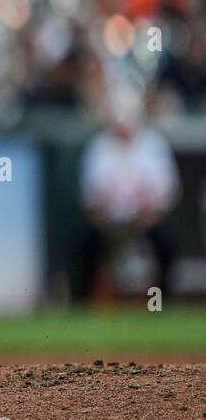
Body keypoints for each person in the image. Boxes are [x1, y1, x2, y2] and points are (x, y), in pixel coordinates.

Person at [76, 86, 181, 301]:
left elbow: (168, 191)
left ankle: (163, 303)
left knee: (167, 244)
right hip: (109, 223)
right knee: (85, 245)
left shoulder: (154, 145)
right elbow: (90, 197)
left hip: (146, 222)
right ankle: (82, 303)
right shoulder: (99, 147)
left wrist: (150, 213)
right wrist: (105, 215)